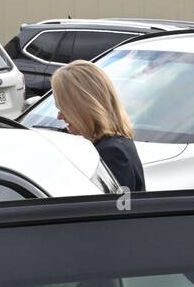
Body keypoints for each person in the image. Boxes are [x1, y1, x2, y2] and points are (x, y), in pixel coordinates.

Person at [50, 60, 145, 192]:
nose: (59, 116)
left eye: (63, 109)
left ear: (83, 108)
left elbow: (120, 209)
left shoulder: (111, 154)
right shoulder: (115, 143)